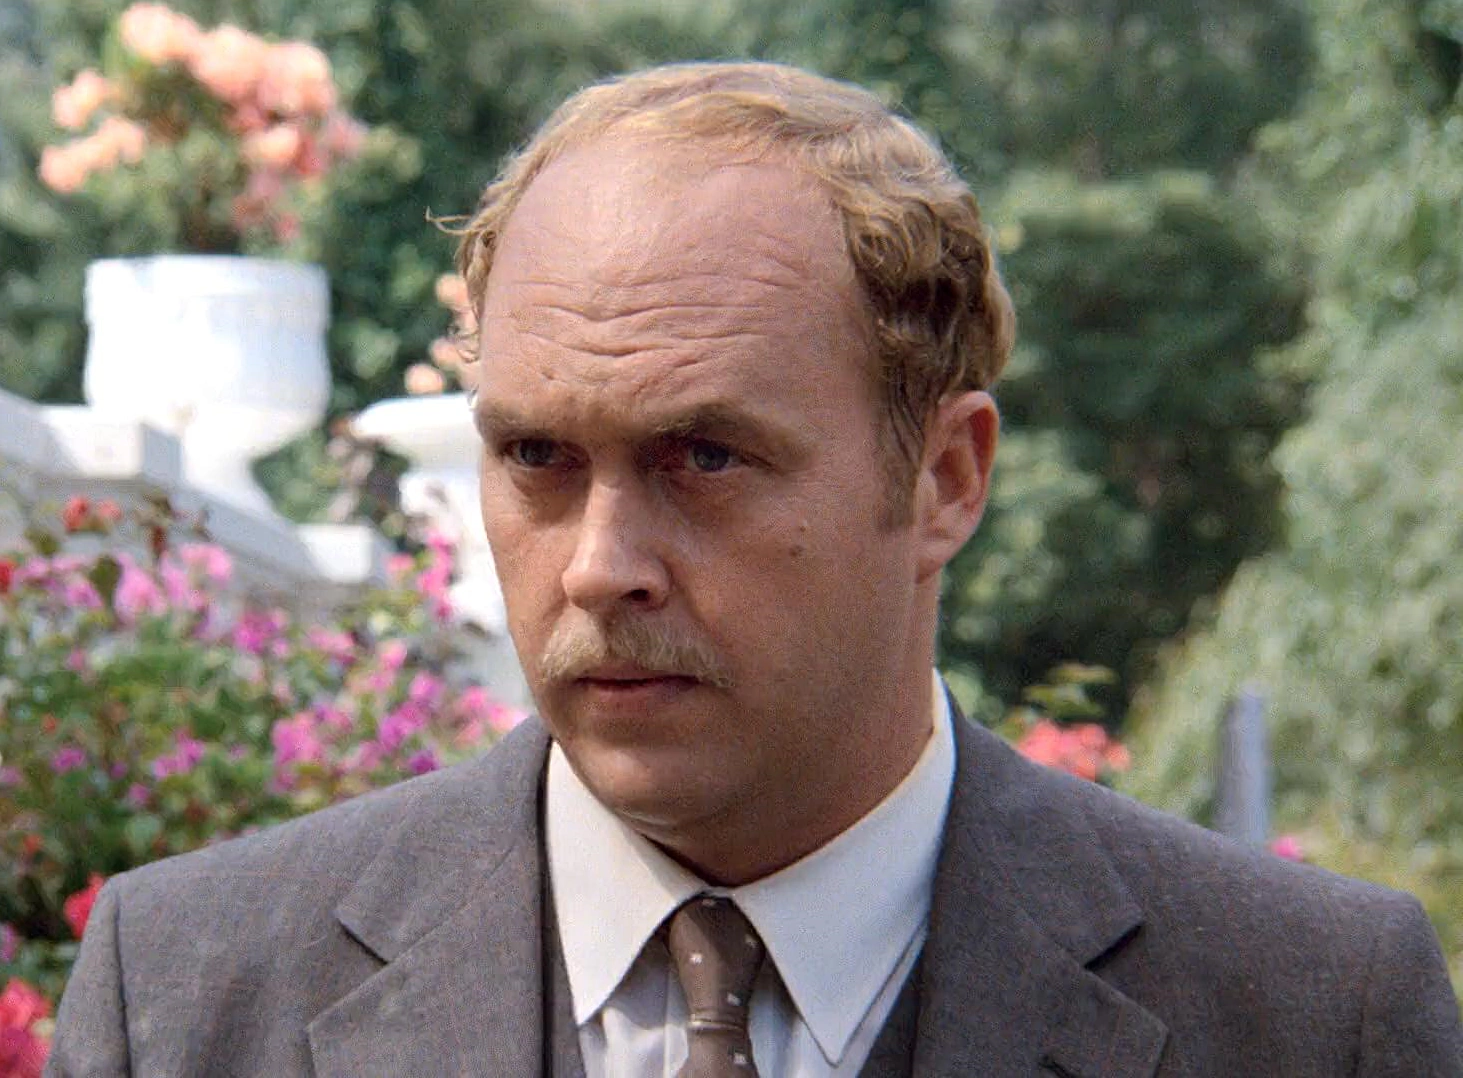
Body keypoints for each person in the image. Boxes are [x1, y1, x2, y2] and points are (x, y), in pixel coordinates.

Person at [47, 62, 1461, 1077]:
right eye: (536, 455)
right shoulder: (190, 993)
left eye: (705, 457)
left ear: (946, 478)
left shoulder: (1306, 1013)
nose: (599, 567)